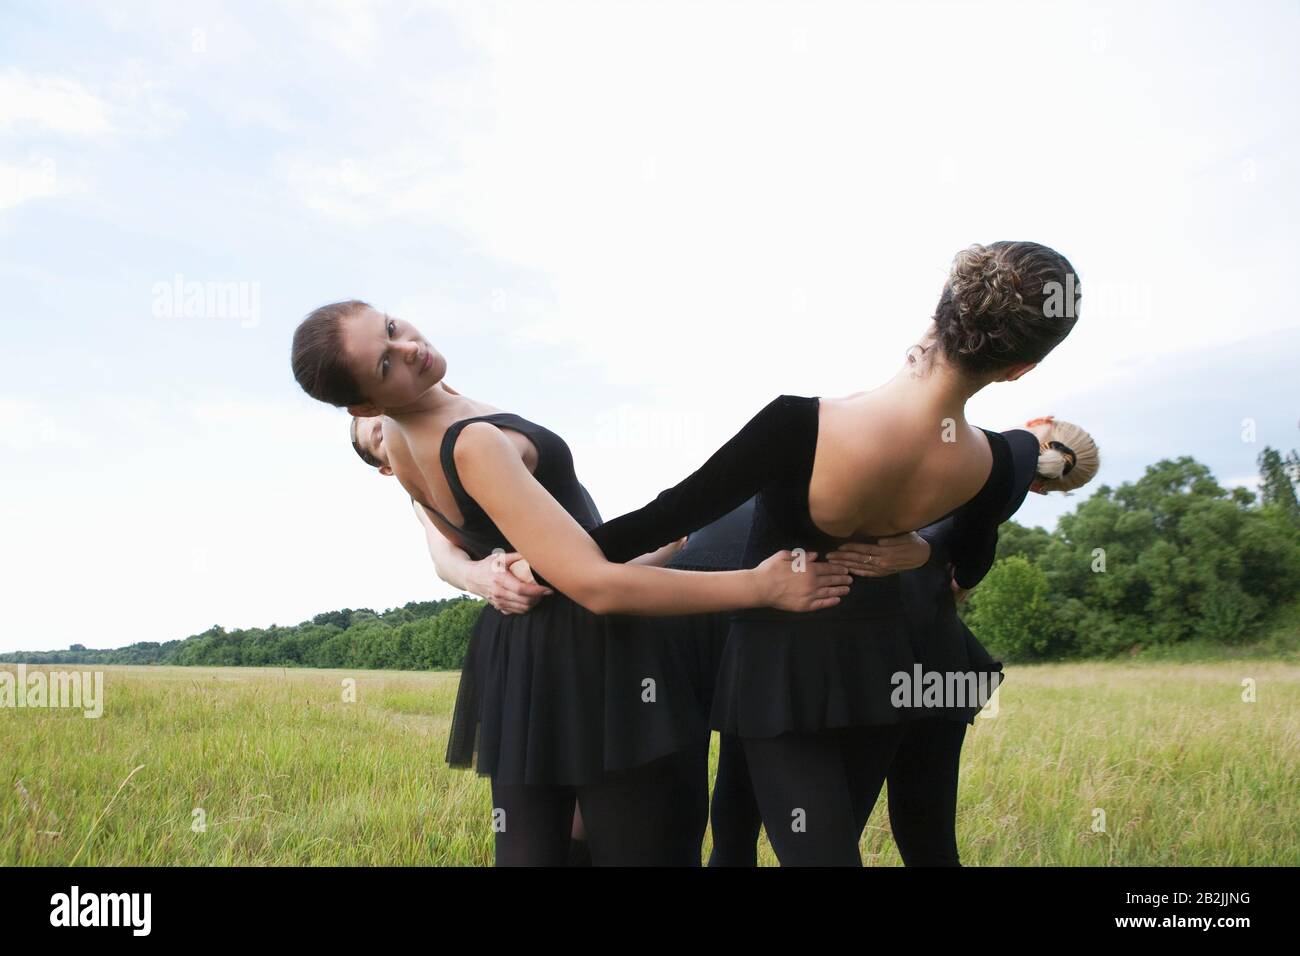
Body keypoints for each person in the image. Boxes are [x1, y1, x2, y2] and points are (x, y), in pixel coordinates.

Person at [581, 240, 1083, 864]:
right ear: (1018, 371)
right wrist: (920, 554)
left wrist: (542, 554)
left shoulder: (800, 425)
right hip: (884, 669)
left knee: (769, 840)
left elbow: (667, 516)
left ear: (940, 313)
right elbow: (970, 562)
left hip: (782, 666)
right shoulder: (993, 459)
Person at [292, 311, 847, 866]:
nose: (409, 348)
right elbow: (595, 585)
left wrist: (492, 571)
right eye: (386, 364)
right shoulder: (471, 444)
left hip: (522, 654)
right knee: (647, 843)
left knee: (539, 844)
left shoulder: (399, 434)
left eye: (392, 327)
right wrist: (760, 585)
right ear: (364, 406)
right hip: (593, 651)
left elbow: (513, 550)